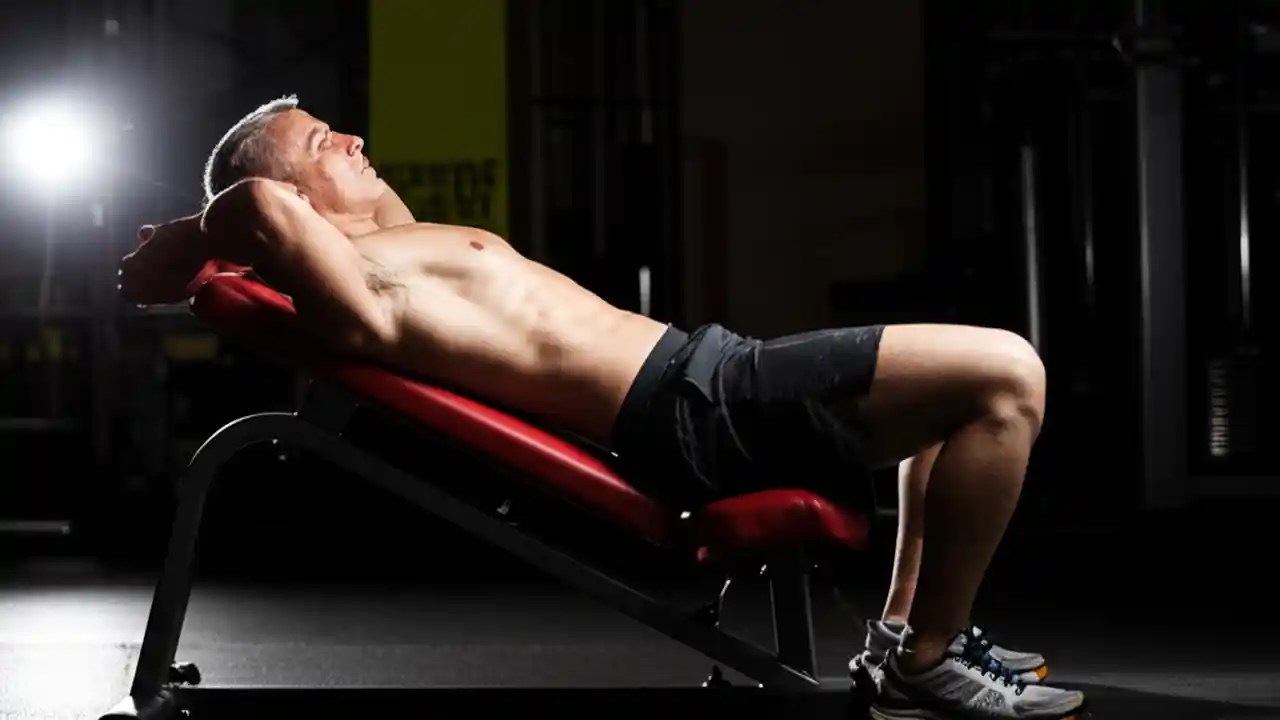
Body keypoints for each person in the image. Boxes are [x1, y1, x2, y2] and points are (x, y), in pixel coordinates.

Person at [119, 95, 1085, 719]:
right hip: (692, 406)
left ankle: (912, 637)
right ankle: (927, 658)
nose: (358, 138)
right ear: (292, 196)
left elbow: (269, 207)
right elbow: (251, 205)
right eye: (327, 144)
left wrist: (237, 218)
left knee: (956, 400)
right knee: (1007, 374)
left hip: (705, 378)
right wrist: (190, 235)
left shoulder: (405, 243)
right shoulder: (363, 286)